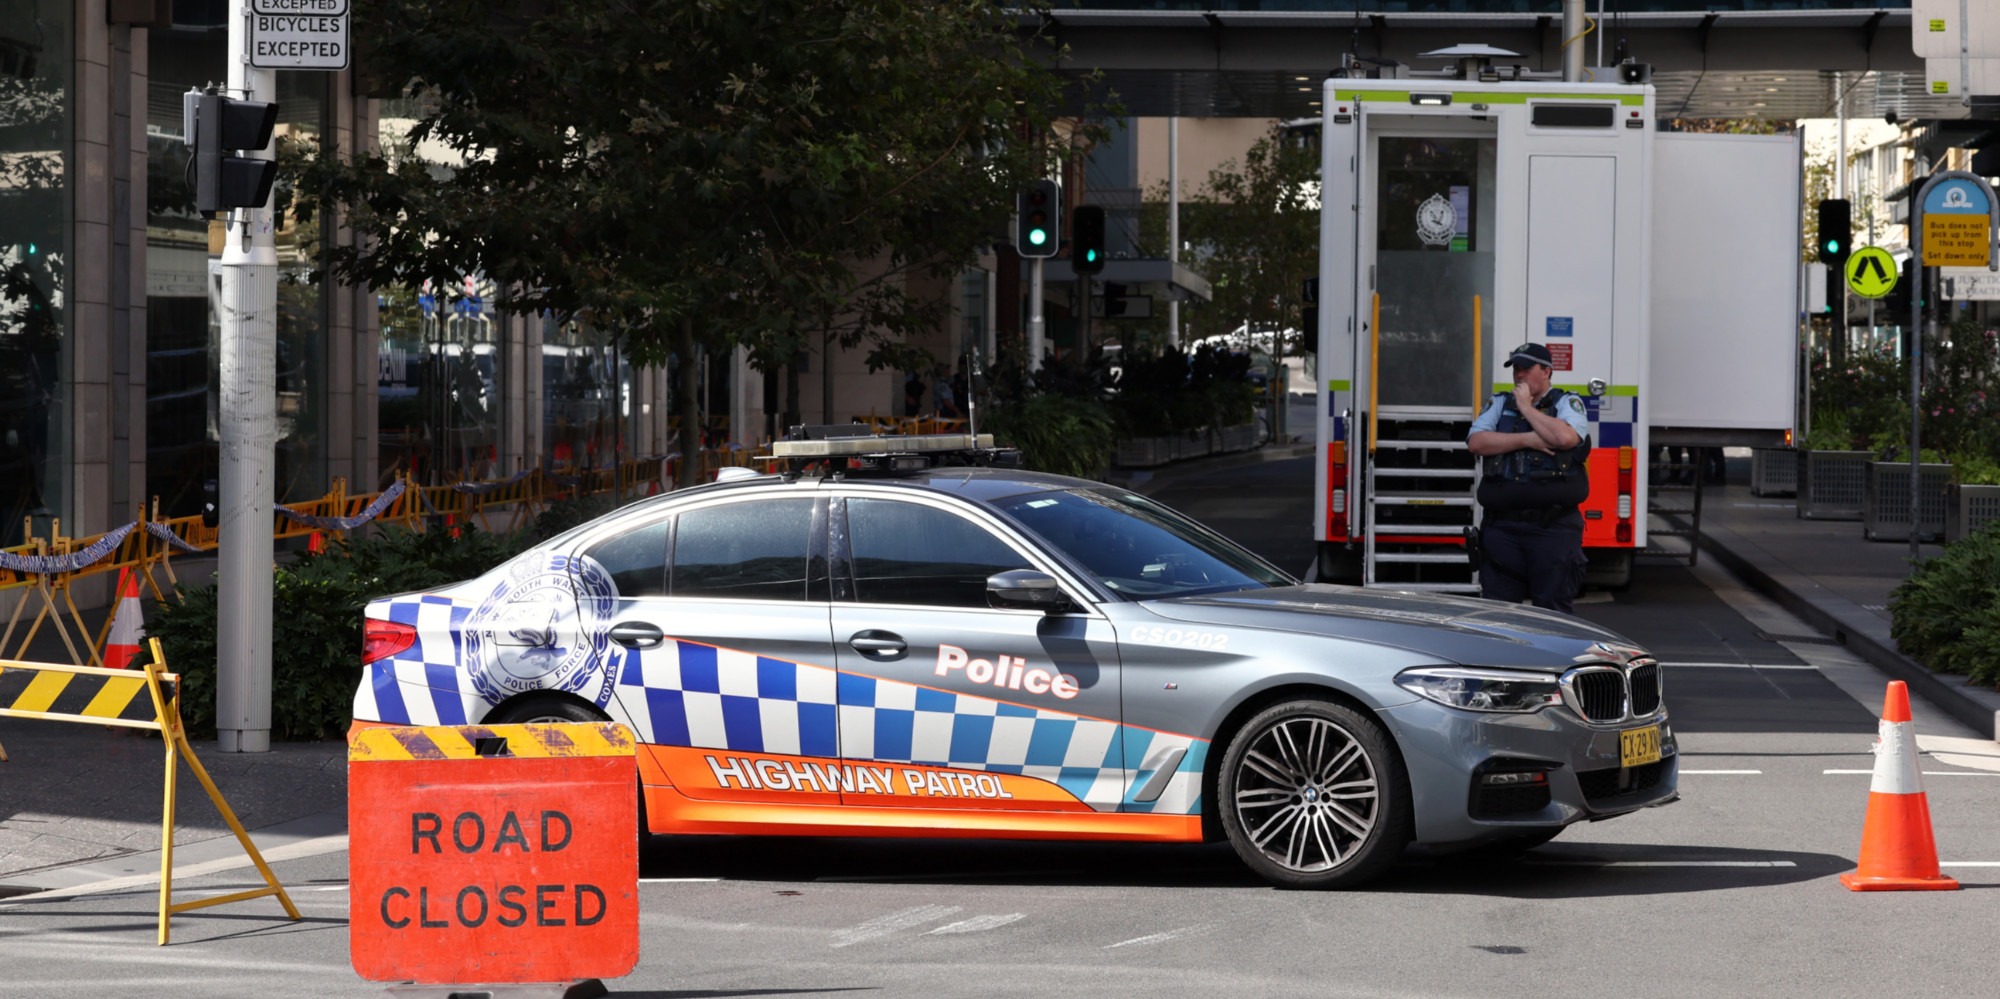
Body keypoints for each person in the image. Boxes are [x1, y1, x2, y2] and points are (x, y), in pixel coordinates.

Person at [1466, 343, 1593, 613]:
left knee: (1553, 611)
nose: (1519, 375)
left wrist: (1526, 407)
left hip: (1553, 529)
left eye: (1526, 368)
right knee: (1497, 612)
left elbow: (1565, 438)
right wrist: (1529, 440)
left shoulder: (1567, 403)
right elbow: (1477, 442)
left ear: (1546, 371)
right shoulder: (1499, 403)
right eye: (1516, 369)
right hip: (1502, 528)